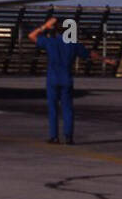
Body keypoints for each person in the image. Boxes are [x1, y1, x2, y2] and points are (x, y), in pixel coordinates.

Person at [27, 15, 117, 144]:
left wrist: (45, 26)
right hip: (66, 78)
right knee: (67, 108)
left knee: (53, 108)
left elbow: (31, 36)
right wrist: (106, 60)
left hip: (52, 78)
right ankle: (68, 137)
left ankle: (54, 136)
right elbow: (90, 54)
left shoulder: (49, 41)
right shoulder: (73, 44)